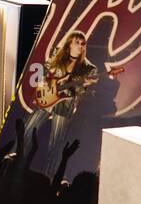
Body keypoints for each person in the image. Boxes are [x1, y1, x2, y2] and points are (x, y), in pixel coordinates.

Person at [23, 30, 98, 177]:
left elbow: (80, 92)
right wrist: (42, 85)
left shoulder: (88, 68)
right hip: (47, 100)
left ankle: (49, 179)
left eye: (83, 44)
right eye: (77, 42)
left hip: (64, 106)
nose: (80, 46)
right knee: (27, 130)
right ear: (69, 43)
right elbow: (41, 71)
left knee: (56, 144)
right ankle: (15, 161)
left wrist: (85, 85)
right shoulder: (57, 56)